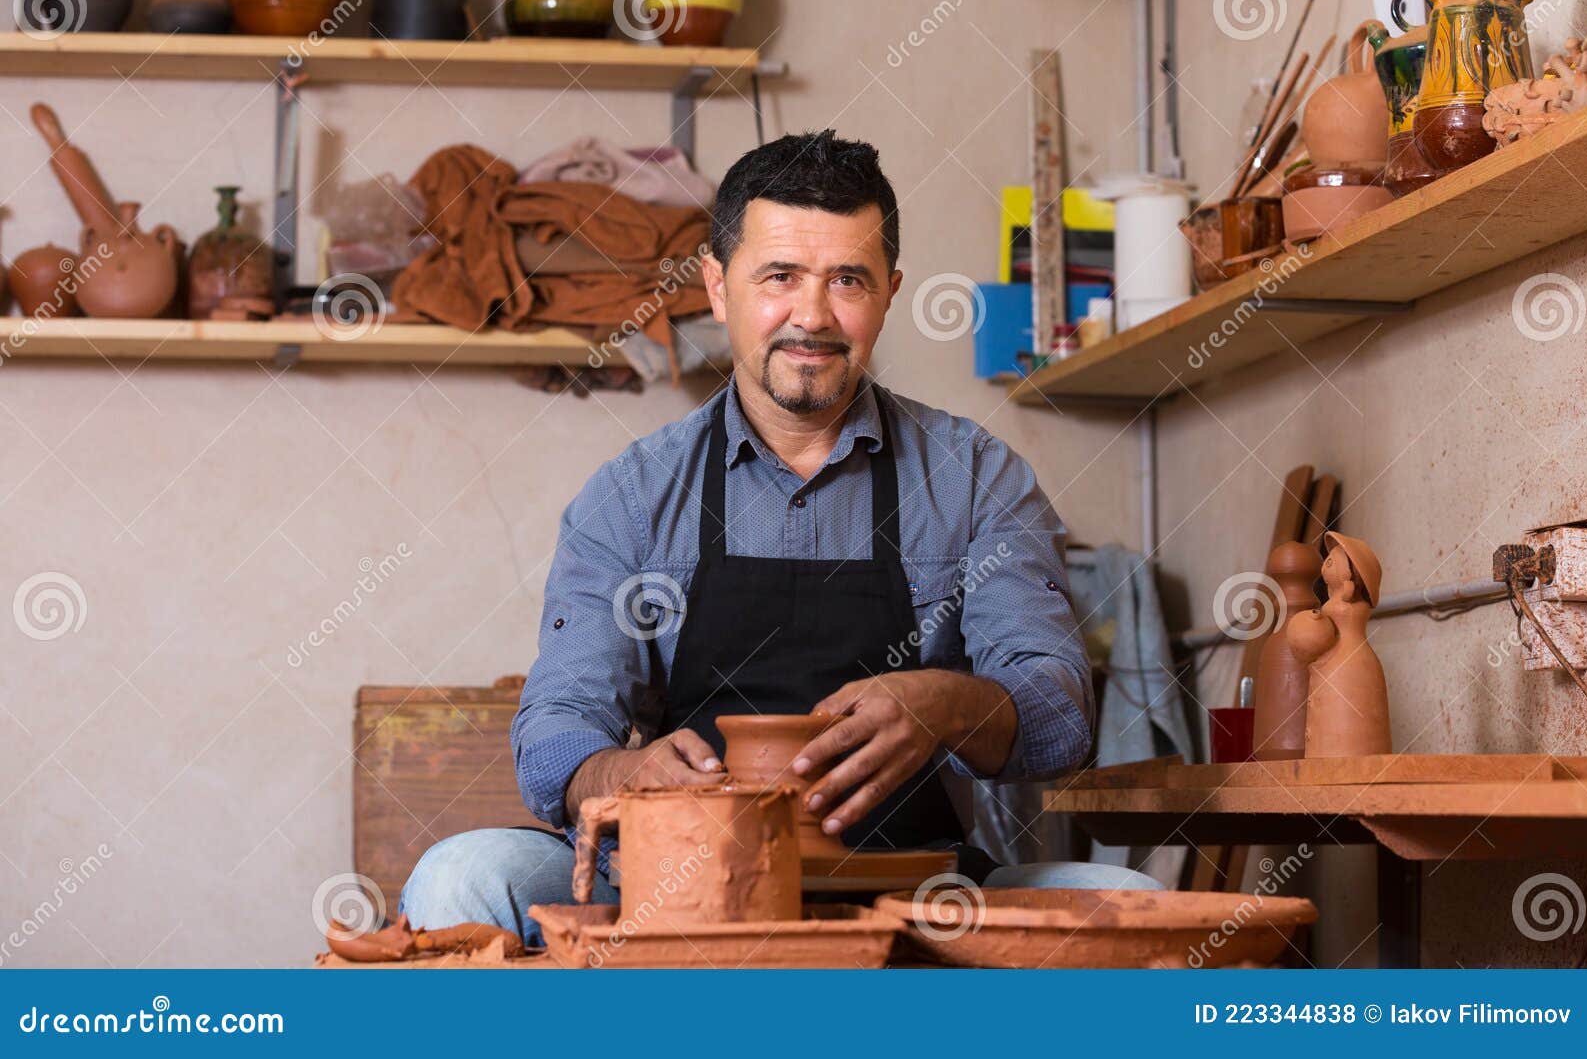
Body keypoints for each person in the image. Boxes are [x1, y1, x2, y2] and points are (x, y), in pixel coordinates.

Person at [401, 130, 1158, 946]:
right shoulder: (632, 495)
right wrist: (623, 771)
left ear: (890, 292)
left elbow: (1060, 716)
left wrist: (947, 704)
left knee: (1126, 897)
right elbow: (557, 731)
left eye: (848, 280)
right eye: (780, 277)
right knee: (460, 875)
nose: (813, 315)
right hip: (674, 892)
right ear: (717, 286)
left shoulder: (975, 477)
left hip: (911, 891)